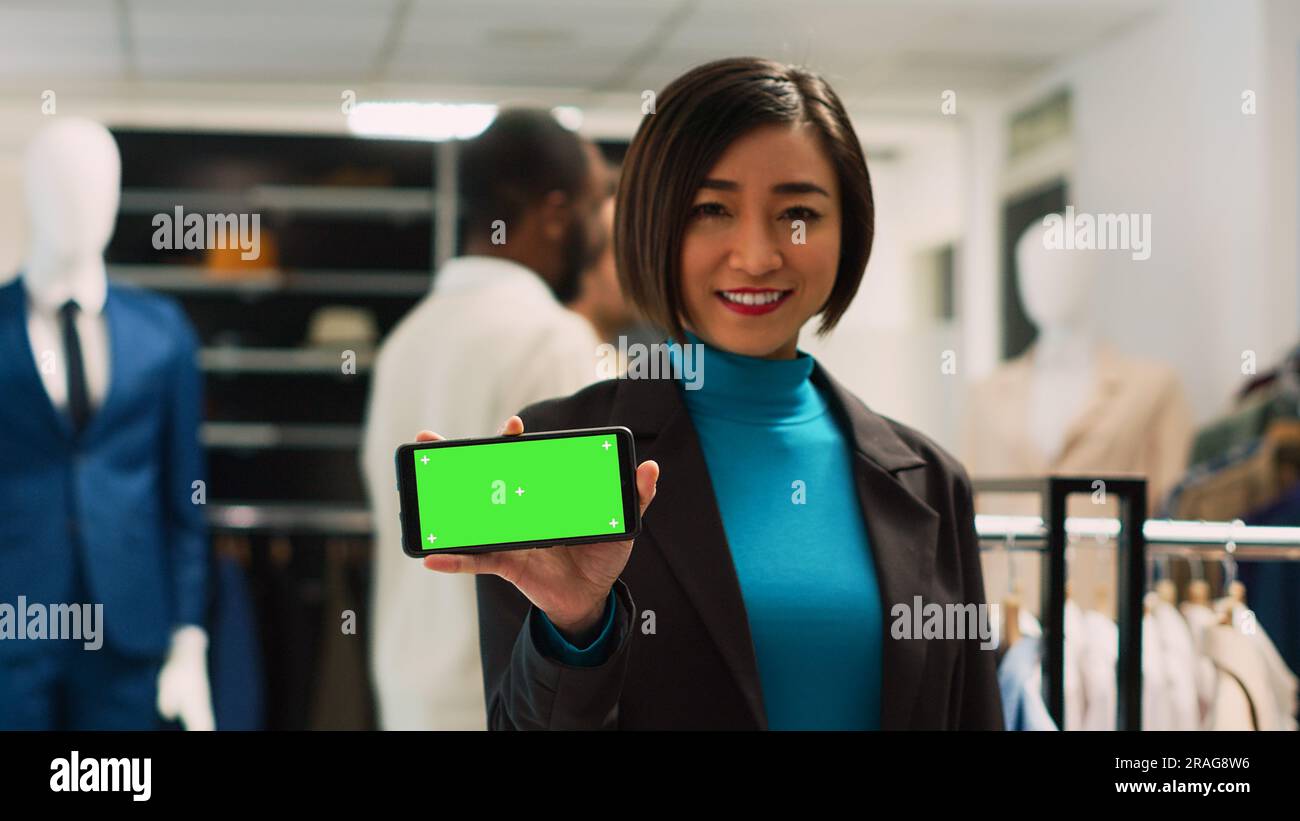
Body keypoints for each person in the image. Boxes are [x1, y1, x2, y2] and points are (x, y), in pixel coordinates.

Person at [416, 58, 1003, 730]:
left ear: (849, 230)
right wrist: (576, 627)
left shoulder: (928, 480)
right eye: (712, 209)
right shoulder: (559, 453)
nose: (757, 254)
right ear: (654, 222)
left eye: (799, 213)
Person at [361, 109, 610, 730]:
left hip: (408, 691)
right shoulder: (554, 340)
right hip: (506, 694)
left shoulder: (405, 341)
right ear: (555, 213)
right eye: (592, 203)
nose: (600, 231)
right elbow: (582, 553)